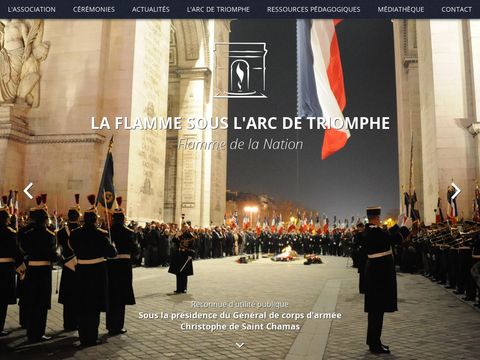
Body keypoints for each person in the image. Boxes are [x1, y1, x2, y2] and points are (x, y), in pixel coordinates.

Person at [69, 194, 117, 346]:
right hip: (97, 272)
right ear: (95, 220)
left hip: (81, 271)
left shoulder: (75, 234)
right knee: (94, 306)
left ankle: (83, 336)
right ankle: (92, 337)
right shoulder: (101, 234)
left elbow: (72, 248)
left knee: (83, 305)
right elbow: (112, 254)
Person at [18, 194, 58, 343]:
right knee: (41, 304)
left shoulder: (27, 234)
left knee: (31, 302)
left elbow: (23, 250)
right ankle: (39, 333)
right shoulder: (49, 235)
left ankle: (30, 332)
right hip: (43, 273)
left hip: (31, 271)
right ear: (45, 220)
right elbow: (52, 254)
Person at [363, 206, 401, 354]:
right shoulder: (374, 232)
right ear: (377, 218)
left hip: (375, 273)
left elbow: (386, 236)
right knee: (377, 312)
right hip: (378, 276)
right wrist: (403, 227)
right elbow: (393, 239)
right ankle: (375, 344)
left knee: (374, 312)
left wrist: (398, 226)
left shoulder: (371, 231)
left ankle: (373, 341)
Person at [106, 197, 136, 335]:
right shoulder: (129, 232)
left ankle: (110, 325)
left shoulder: (108, 232)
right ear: (123, 219)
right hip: (124, 266)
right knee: (121, 296)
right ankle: (118, 325)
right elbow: (136, 251)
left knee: (111, 295)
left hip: (111, 266)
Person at [56, 194, 81, 331]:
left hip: (66, 264)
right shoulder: (81, 231)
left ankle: (67, 323)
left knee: (67, 297)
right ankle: (76, 322)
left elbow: (59, 247)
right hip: (79, 265)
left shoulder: (60, 232)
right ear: (77, 217)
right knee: (77, 295)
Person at [0, 196, 21, 336]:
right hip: (6, 269)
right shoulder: (10, 233)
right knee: (2, 300)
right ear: (6, 219)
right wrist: (21, 267)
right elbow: (16, 251)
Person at [168, 221, 195, 294]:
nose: (184, 228)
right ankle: (178, 288)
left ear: (187, 228)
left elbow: (192, 246)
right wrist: (176, 235)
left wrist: (190, 255)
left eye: (185, 227)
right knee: (178, 272)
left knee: (184, 273)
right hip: (178, 255)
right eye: (183, 227)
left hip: (186, 255)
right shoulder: (179, 234)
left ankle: (184, 288)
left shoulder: (190, 235)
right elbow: (174, 241)